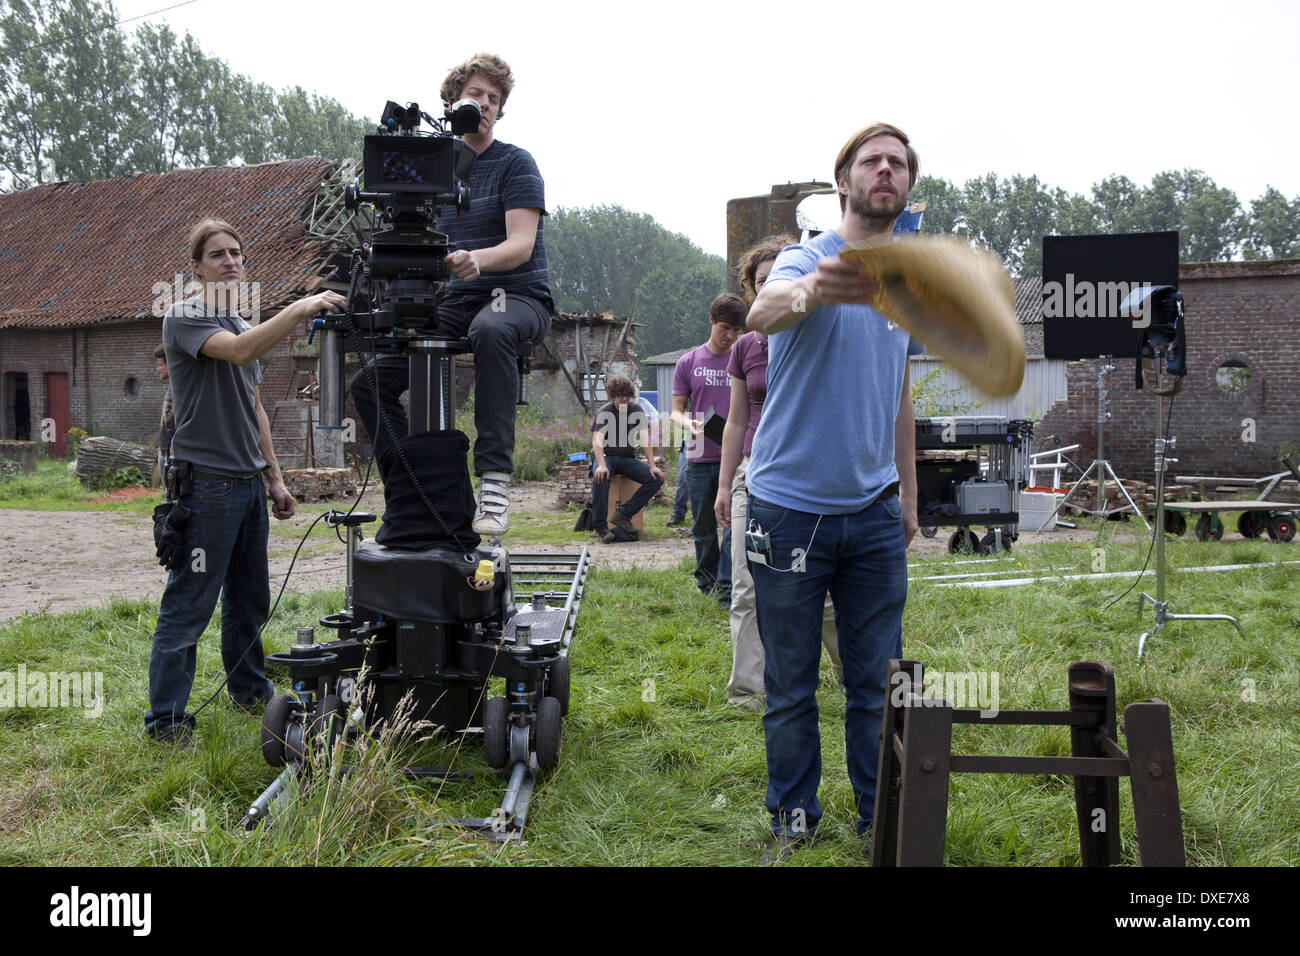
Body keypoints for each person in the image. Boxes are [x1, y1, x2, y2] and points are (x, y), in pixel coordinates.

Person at [744, 123, 922, 862]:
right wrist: (817, 286)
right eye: (872, 160)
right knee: (789, 684)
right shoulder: (803, 257)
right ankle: (794, 815)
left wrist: (908, 495)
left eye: (899, 163)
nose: (886, 170)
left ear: (909, 185)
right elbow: (763, 312)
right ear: (843, 179)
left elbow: (900, 393)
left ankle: (883, 817)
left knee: (879, 682)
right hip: (789, 511)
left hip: (875, 513)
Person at [145, 218, 345, 745]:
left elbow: (254, 406)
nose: (231, 261)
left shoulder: (238, 318)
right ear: (196, 265)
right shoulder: (183, 317)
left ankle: (249, 691)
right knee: (190, 603)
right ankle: (165, 720)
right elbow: (238, 352)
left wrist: (275, 479)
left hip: (248, 486)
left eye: (237, 253)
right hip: (205, 486)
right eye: (218, 254)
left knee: (249, 600)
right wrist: (301, 307)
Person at [350, 52, 552, 537]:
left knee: (491, 327)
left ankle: (495, 480)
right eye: (476, 94)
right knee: (369, 383)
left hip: (514, 296)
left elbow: (521, 245)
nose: (484, 104)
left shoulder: (514, 162)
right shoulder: (430, 169)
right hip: (457, 301)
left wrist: (478, 259)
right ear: (452, 101)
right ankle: (414, 486)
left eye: (494, 99)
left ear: (500, 111)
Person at [714, 236, 842, 710]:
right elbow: (736, 421)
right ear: (753, 291)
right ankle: (748, 691)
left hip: (812, 476)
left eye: (781, 278)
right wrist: (726, 485)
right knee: (747, 585)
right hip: (756, 473)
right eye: (764, 281)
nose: (774, 286)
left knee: (826, 591)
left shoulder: (819, 333)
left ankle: (852, 678)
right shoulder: (746, 347)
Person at [671, 293, 746, 608]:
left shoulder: (741, 358)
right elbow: (675, 410)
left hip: (736, 458)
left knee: (732, 526)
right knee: (703, 526)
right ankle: (708, 581)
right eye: (725, 328)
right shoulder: (688, 362)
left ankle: (728, 588)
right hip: (699, 457)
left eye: (736, 330)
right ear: (711, 320)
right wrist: (686, 422)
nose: (730, 336)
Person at [590, 375, 664, 543]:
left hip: (626, 459)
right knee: (600, 477)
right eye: (620, 395)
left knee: (656, 478)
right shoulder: (605, 411)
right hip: (606, 457)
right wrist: (601, 465)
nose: (624, 398)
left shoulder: (636, 410)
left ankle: (623, 514)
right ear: (613, 395)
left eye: (627, 395)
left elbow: (645, 439)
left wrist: (652, 466)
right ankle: (601, 528)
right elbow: (597, 440)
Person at [154, 343, 176, 492]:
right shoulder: (171, 386)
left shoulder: (179, 389)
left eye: (160, 365)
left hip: (173, 455)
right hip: (165, 452)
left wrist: (173, 448)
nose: (158, 369)